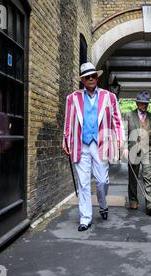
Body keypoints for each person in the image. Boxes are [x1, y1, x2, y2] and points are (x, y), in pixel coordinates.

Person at [62, 62, 125, 231]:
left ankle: (103, 204)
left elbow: (117, 119)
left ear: (97, 78)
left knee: (102, 181)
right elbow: (68, 122)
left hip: (101, 144)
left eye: (94, 76)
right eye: (87, 77)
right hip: (80, 144)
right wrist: (65, 141)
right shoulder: (72, 98)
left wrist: (120, 137)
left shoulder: (109, 97)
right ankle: (85, 218)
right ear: (82, 80)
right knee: (83, 183)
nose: (91, 79)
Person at [124, 91, 151, 216]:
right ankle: (133, 200)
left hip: (149, 149)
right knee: (133, 177)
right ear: (137, 103)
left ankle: (150, 204)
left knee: (148, 176)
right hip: (134, 150)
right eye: (141, 102)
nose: (144, 105)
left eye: (146, 103)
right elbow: (124, 133)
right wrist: (124, 148)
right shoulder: (129, 115)